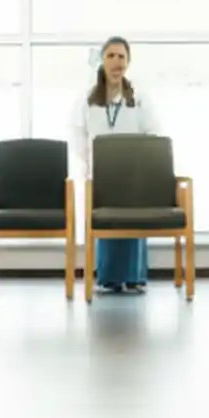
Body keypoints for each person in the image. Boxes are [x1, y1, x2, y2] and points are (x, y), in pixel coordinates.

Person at [71, 36, 160, 294]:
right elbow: (78, 135)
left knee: (133, 224)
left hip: (133, 175)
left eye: (121, 56)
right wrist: (90, 163)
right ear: (102, 61)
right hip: (102, 176)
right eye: (111, 56)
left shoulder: (139, 98)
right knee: (106, 224)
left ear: (128, 62)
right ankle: (108, 276)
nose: (116, 62)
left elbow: (152, 132)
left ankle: (134, 276)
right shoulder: (88, 99)